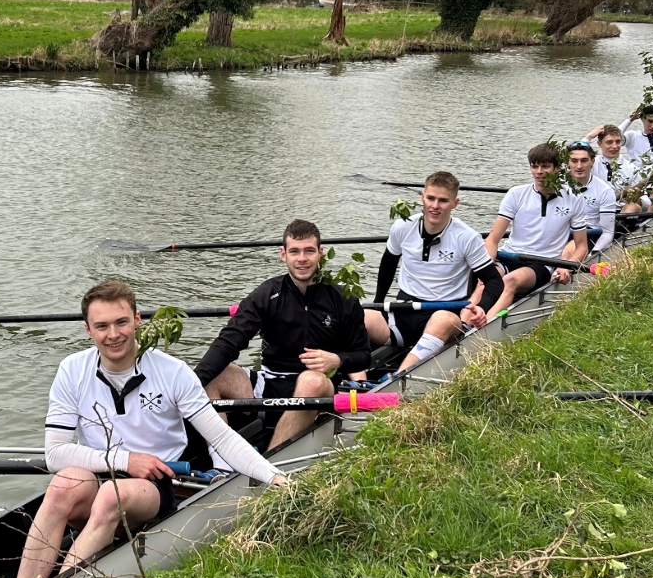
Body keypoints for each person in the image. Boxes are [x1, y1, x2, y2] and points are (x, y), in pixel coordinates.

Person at [13, 279, 286, 578]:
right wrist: (127, 460)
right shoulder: (72, 371)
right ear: (88, 330)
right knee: (62, 485)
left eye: (121, 322)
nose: (113, 335)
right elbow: (55, 454)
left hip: (159, 485)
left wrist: (274, 476)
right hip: (102, 475)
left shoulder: (172, 372)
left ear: (137, 320)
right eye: (102, 326)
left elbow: (223, 439)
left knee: (111, 497)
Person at [195, 219, 371, 449]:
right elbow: (229, 341)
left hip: (319, 389)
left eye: (309, 251)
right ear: (283, 254)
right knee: (216, 373)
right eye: (294, 251)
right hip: (270, 383)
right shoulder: (266, 294)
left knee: (310, 381)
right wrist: (192, 382)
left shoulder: (342, 298)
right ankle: (222, 464)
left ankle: (268, 467)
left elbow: (364, 355)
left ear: (320, 253)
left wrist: (336, 359)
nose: (302, 259)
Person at [363, 171, 505, 374]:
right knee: (358, 317)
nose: (435, 206)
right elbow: (388, 264)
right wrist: (378, 302)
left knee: (444, 320)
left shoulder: (466, 237)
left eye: (443, 201)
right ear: (422, 196)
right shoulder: (403, 226)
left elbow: (494, 281)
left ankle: (394, 382)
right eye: (430, 198)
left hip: (443, 314)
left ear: (455, 203)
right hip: (403, 312)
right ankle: (357, 380)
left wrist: (481, 308)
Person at [483, 143, 590, 319]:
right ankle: (465, 321)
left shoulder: (574, 198)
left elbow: (582, 247)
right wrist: (485, 266)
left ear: (557, 168)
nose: (539, 171)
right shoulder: (516, 194)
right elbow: (493, 239)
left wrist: (567, 268)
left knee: (509, 281)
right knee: (485, 281)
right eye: (535, 166)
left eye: (545, 166)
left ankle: (480, 330)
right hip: (510, 254)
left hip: (543, 263)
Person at [563, 141, 617, 254]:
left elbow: (608, 232)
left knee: (568, 250)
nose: (579, 166)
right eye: (574, 161)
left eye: (584, 160)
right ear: (567, 163)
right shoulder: (557, 187)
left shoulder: (605, 190)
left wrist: (593, 254)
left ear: (592, 162)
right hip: (561, 234)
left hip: (589, 234)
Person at [583, 123, 648, 214]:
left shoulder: (632, 168)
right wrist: (588, 137)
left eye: (618, 142)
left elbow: (647, 204)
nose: (614, 146)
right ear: (599, 144)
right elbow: (573, 157)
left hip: (623, 214)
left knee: (633, 206)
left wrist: (637, 199)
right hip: (596, 211)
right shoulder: (591, 164)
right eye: (609, 142)